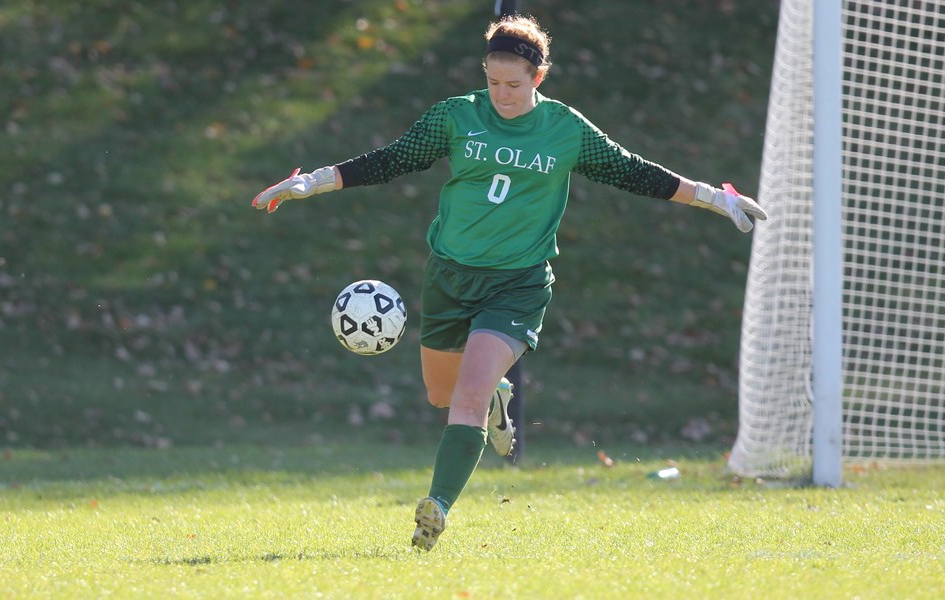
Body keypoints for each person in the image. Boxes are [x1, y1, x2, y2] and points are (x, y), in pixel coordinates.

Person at [251, 14, 767, 551]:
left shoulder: (565, 130)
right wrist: (308, 183)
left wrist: (717, 197)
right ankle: (498, 397)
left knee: (465, 398)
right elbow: (390, 160)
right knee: (441, 395)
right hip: (449, 277)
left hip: (516, 285)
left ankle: (437, 507)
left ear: (538, 77)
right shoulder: (456, 116)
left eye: (515, 84)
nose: (502, 94)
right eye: (493, 81)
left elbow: (634, 172)